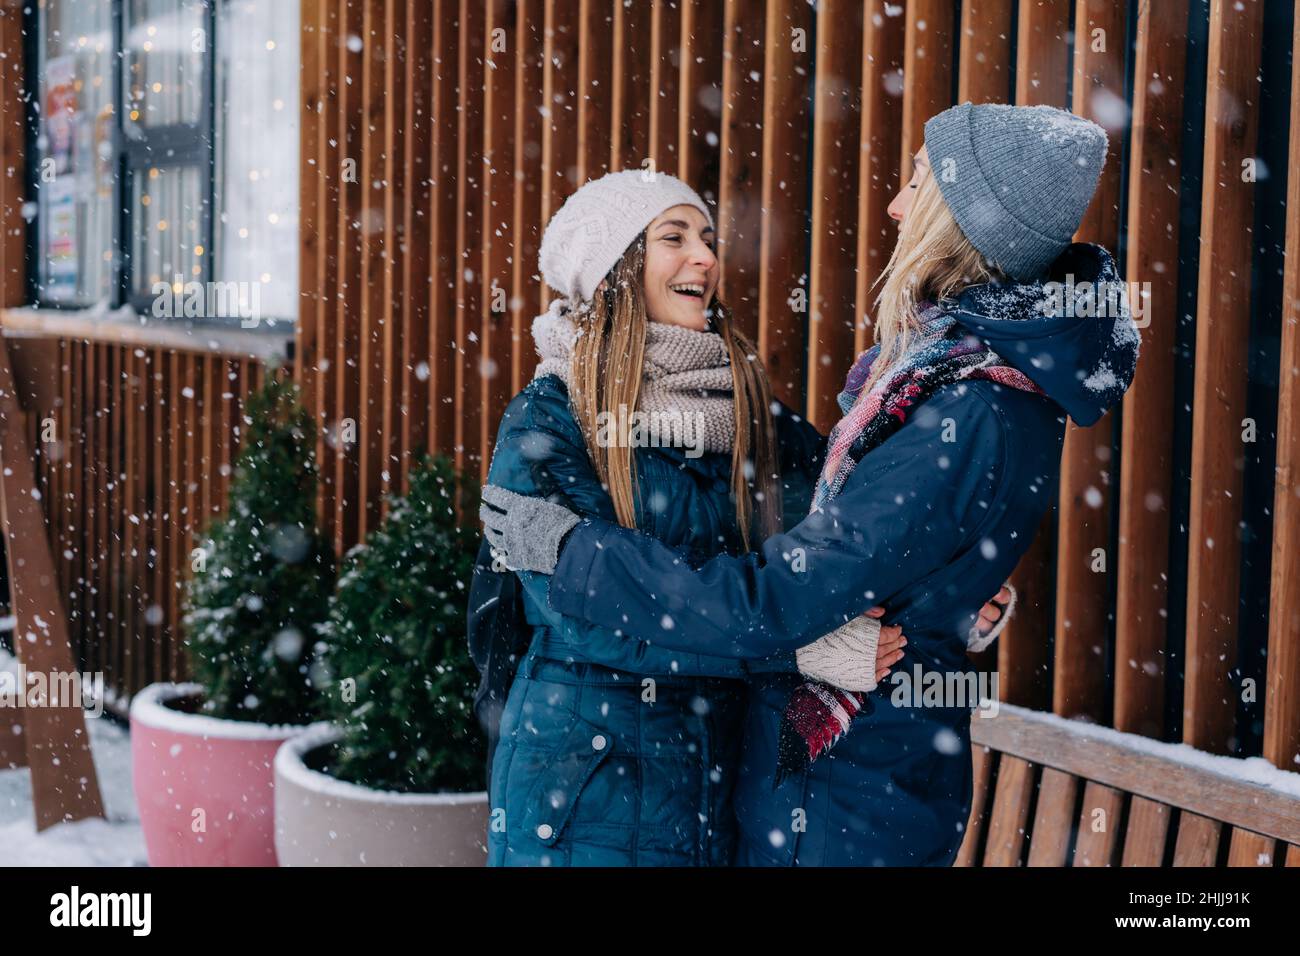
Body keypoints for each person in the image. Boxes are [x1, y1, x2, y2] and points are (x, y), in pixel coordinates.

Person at [480, 102, 1139, 866]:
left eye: (707, 238)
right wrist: (798, 653)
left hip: (718, 784)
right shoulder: (551, 417)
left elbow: (824, 555)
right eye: (673, 238)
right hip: (590, 786)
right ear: (612, 270)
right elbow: (580, 614)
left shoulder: (753, 408)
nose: (705, 257)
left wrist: (944, 587)